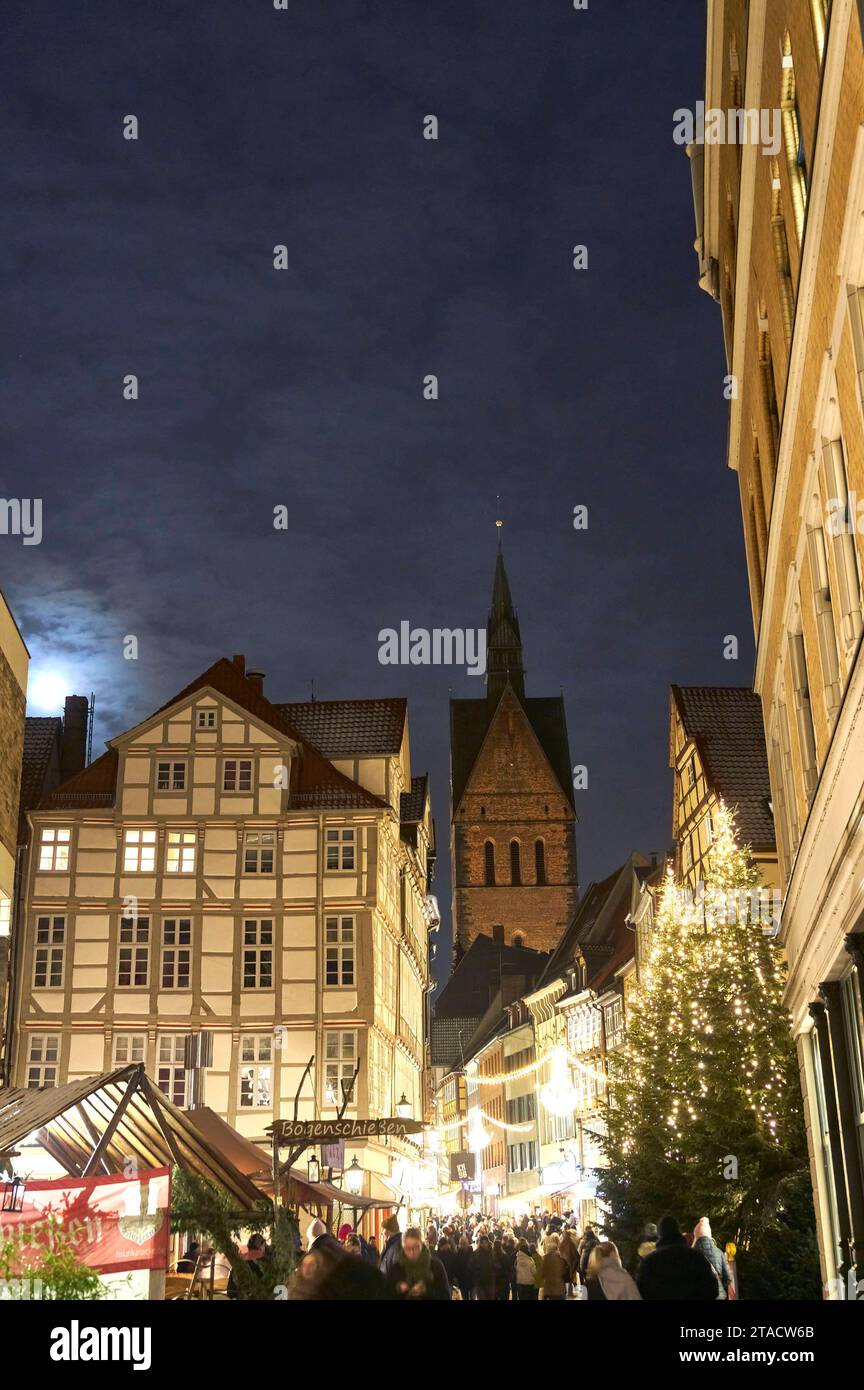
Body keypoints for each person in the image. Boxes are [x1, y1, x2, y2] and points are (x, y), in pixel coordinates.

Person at [637, 1215, 721, 1301]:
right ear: (678, 1230)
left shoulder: (649, 1262)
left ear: (659, 1234)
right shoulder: (696, 1257)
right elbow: (712, 1289)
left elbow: (641, 1292)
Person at [383, 1227, 451, 1300]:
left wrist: (426, 1291)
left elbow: (445, 1295)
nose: (412, 1253)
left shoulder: (435, 1266)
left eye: (416, 1247)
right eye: (408, 1249)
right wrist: (398, 1288)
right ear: (403, 1247)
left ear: (422, 1244)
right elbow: (386, 1294)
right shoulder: (396, 1269)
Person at [692, 1218, 734, 1299]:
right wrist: (719, 1284)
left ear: (696, 1236)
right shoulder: (719, 1253)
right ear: (709, 1234)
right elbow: (728, 1277)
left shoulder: (690, 1254)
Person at [541, 1232, 569, 1301]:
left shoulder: (544, 1259)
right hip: (560, 1288)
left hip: (548, 1288)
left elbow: (542, 1273)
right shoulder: (561, 1258)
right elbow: (565, 1271)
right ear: (556, 1249)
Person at [470, 1236, 496, 1300]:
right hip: (480, 1282)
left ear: (488, 1243)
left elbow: (495, 1264)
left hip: (490, 1281)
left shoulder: (492, 1253)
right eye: (482, 1243)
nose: (484, 1244)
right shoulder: (475, 1253)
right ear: (480, 1243)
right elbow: (471, 1266)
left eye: (485, 1242)